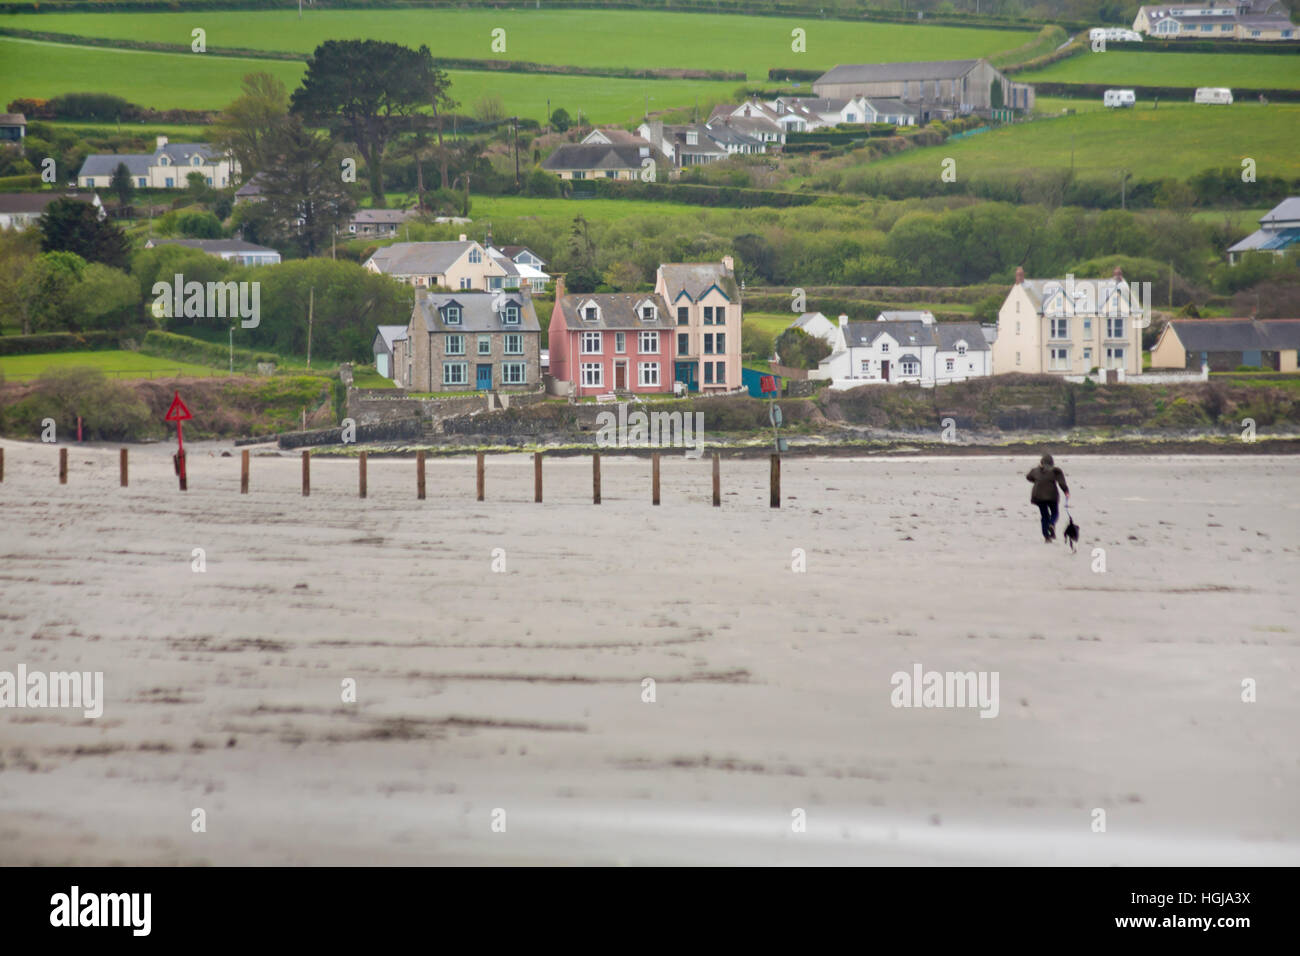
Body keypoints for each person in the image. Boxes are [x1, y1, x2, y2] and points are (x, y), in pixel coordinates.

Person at [1026, 454, 1069, 543]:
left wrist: (1037, 480)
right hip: (1051, 495)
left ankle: (1047, 537)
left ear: (1041, 462)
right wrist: (1066, 491)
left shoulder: (1035, 470)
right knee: (1055, 513)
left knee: (1044, 516)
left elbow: (1028, 477)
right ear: (1052, 462)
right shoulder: (1056, 471)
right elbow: (1061, 483)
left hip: (1038, 496)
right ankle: (1052, 524)